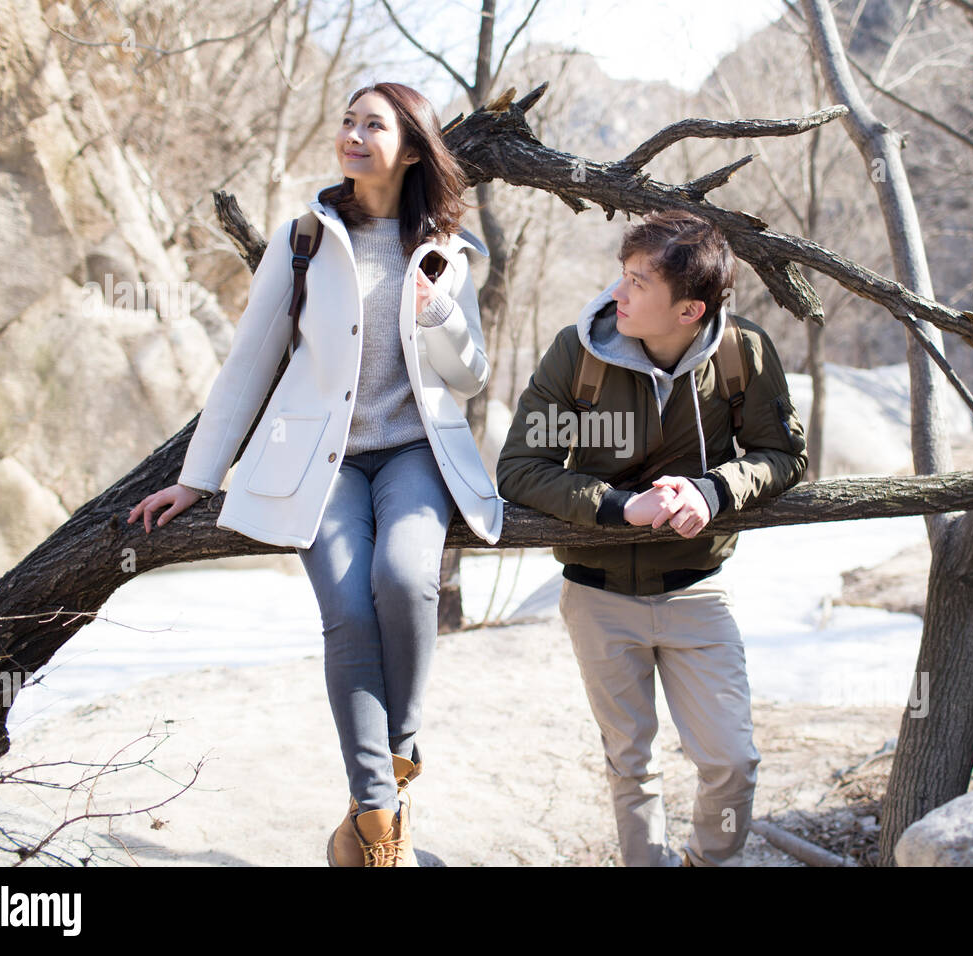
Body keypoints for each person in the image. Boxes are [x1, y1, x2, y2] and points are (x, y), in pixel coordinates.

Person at [128, 82, 502, 867]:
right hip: (317, 461)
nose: (353, 135)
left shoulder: (449, 249)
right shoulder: (303, 236)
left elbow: (468, 377)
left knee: (404, 580)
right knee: (350, 613)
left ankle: (394, 758)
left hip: (412, 455)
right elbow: (249, 362)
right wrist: (198, 478)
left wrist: (438, 312)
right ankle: (376, 819)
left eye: (374, 124)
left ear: (411, 148)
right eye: (348, 121)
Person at [496, 210, 807, 866]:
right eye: (622, 275)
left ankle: (704, 860)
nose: (618, 293)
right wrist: (617, 508)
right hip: (596, 595)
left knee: (732, 759)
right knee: (631, 763)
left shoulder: (741, 355)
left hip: (698, 591)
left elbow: (783, 455)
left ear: (689, 310)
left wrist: (714, 490)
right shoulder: (577, 353)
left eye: (638, 284)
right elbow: (521, 468)